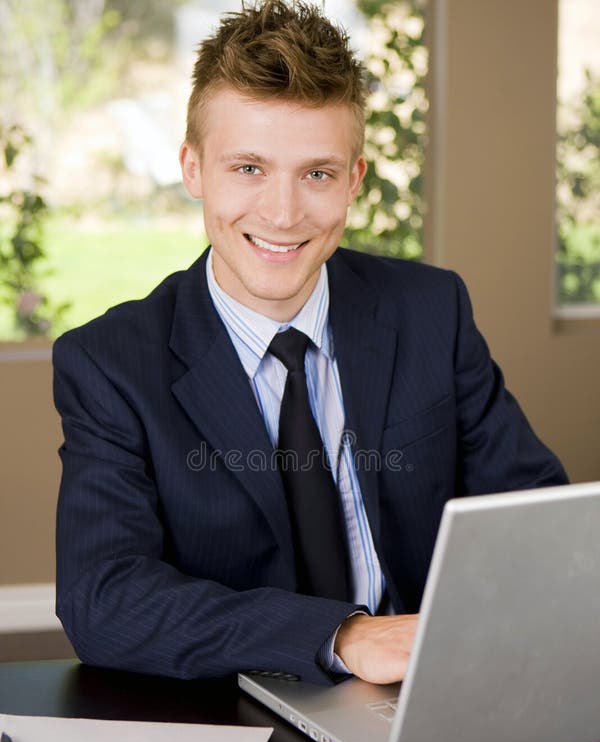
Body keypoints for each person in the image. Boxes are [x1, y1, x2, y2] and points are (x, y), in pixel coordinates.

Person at [52, 0, 567, 687]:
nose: (284, 213)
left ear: (353, 180)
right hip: (237, 710)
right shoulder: (109, 362)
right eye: (249, 169)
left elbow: (535, 519)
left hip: (422, 697)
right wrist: (342, 636)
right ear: (193, 169)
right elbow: (104, 600)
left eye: (317, 173)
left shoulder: (430, 311)